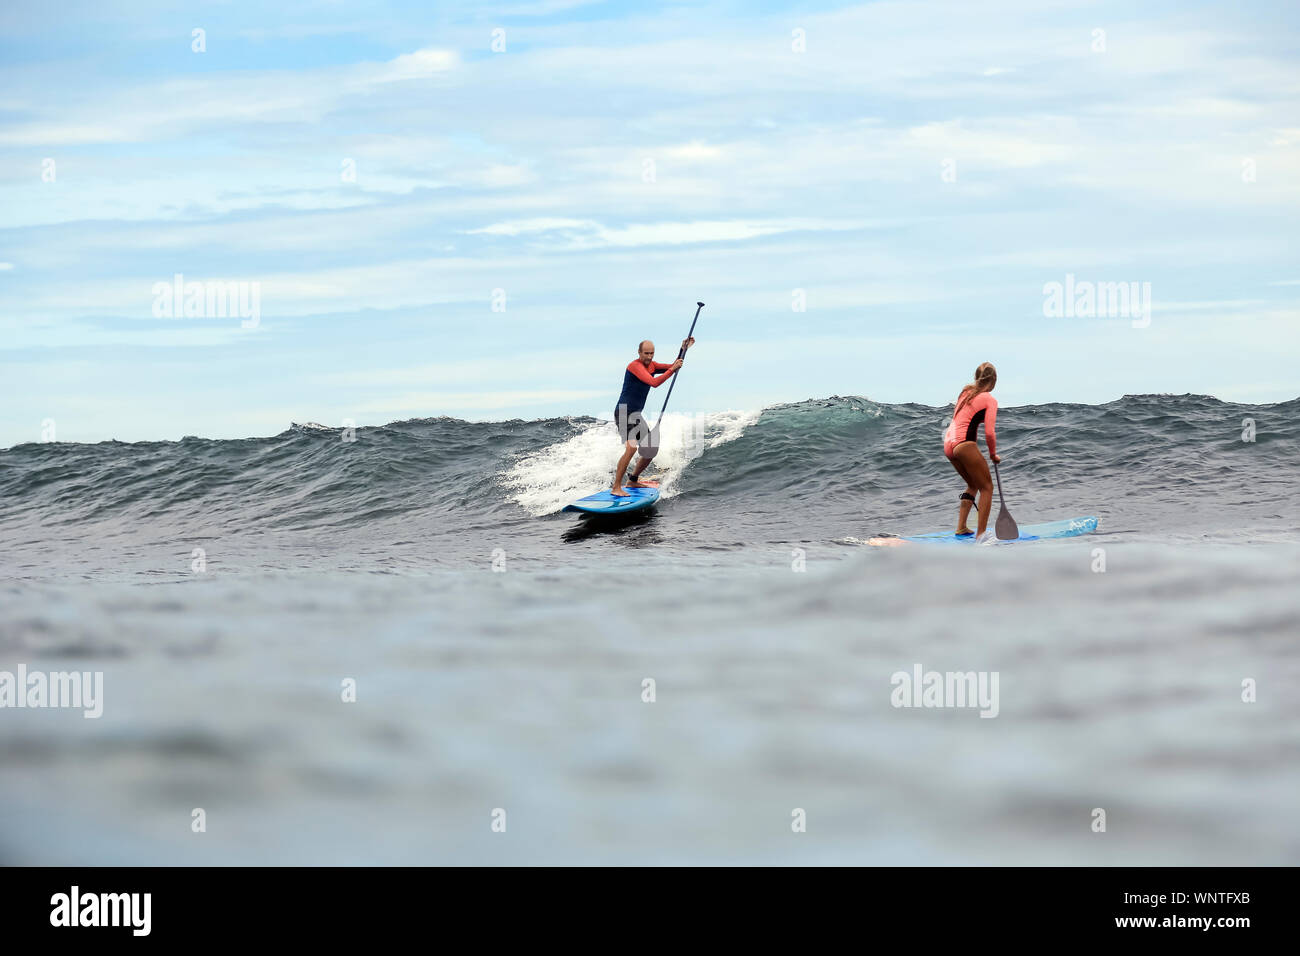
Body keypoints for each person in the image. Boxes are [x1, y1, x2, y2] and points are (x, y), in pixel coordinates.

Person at [611, 337, 694, 496]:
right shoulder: (634, 366)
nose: (649, 357)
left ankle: (633, 480)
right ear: (639, 353)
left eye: (652, 353)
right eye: (646, 353)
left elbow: (673, 366)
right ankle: (616, 487)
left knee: (650, 450)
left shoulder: (652, 365)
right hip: (623, 412)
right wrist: (672, 369)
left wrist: (683, 350)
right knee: (631, 448)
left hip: (635, 414)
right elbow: (654, 383)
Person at [942, 362, 1000, 539]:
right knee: (987, 487)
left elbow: (960, 419)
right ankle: (980, 535)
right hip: (964, 444)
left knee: (974, 484)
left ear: (976, 378)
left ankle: (961, 527)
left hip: (948, 443)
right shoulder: (989, 399)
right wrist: (992, 454)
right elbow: (989, 433)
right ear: (994, 380)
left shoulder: (965, 393)